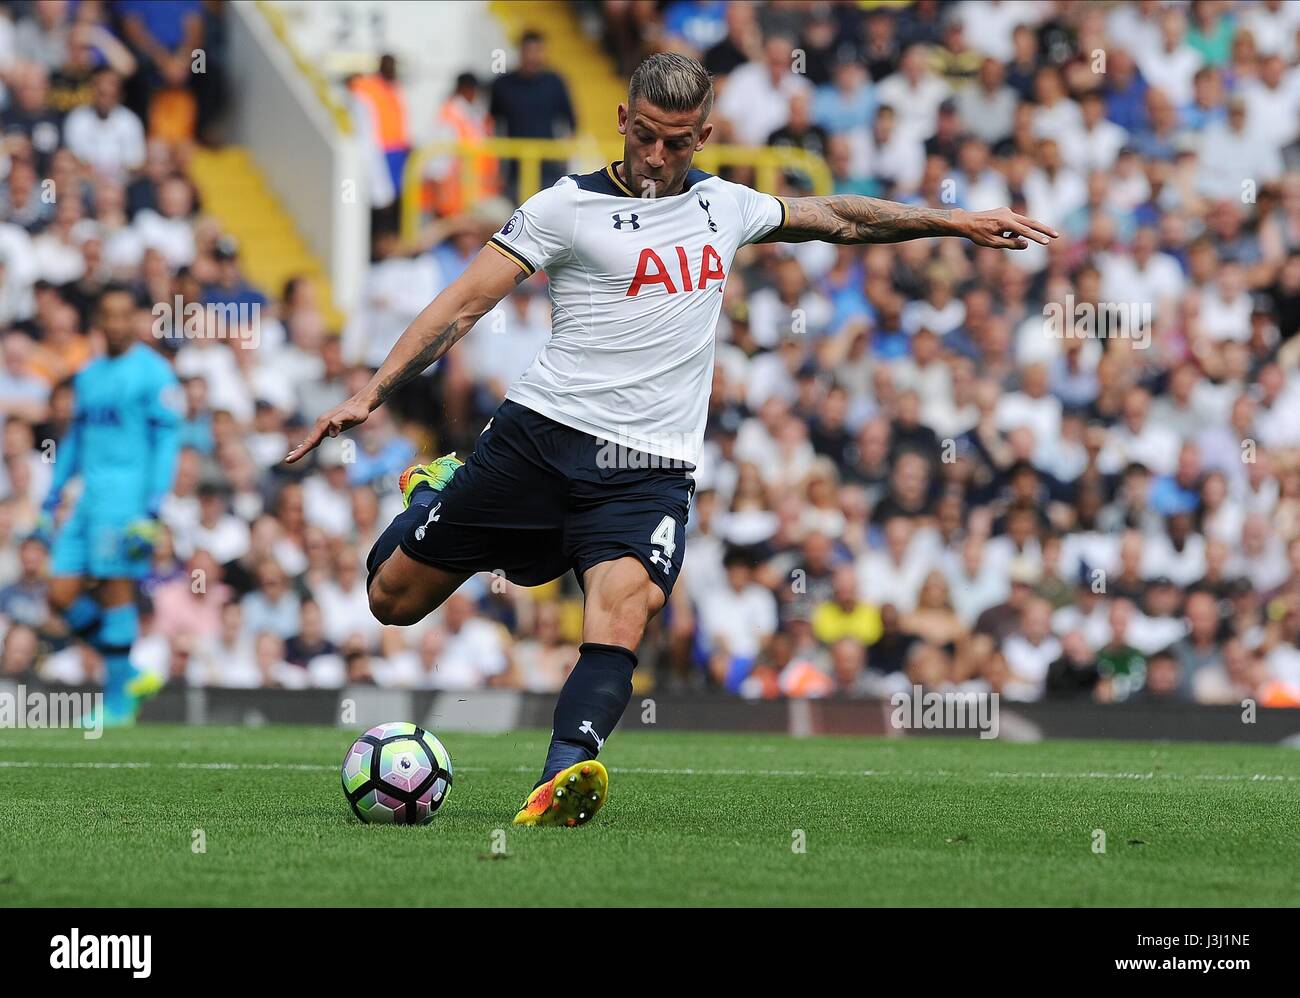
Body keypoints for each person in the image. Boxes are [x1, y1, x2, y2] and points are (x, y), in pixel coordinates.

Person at [285, 52, 1056, 828]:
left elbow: (841, 218)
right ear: (623, 120)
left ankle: (562, 777)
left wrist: (952, 220)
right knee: (392, 600)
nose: (657, 157)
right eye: (646, 136)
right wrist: (371, 392)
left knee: (626, 607)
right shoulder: (564, 208)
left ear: (705, 136)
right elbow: (461, 306)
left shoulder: (725, 206)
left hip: (649, 467)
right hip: (541, 439)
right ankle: (439, 488)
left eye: (677, 143)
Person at [39, 284, 182, 725]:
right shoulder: (88, 375)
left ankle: (118, 701)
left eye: (125, 314)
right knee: (59, 593)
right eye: (109, 315)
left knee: (115, 589)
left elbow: (167, 438)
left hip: (127, 499)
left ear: (134, 319)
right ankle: (131, 672)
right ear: (98, 321)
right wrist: (55, 487)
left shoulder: (155, 374)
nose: (117, 324)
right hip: (87, 500)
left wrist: (154, 502)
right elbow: (77, 437)